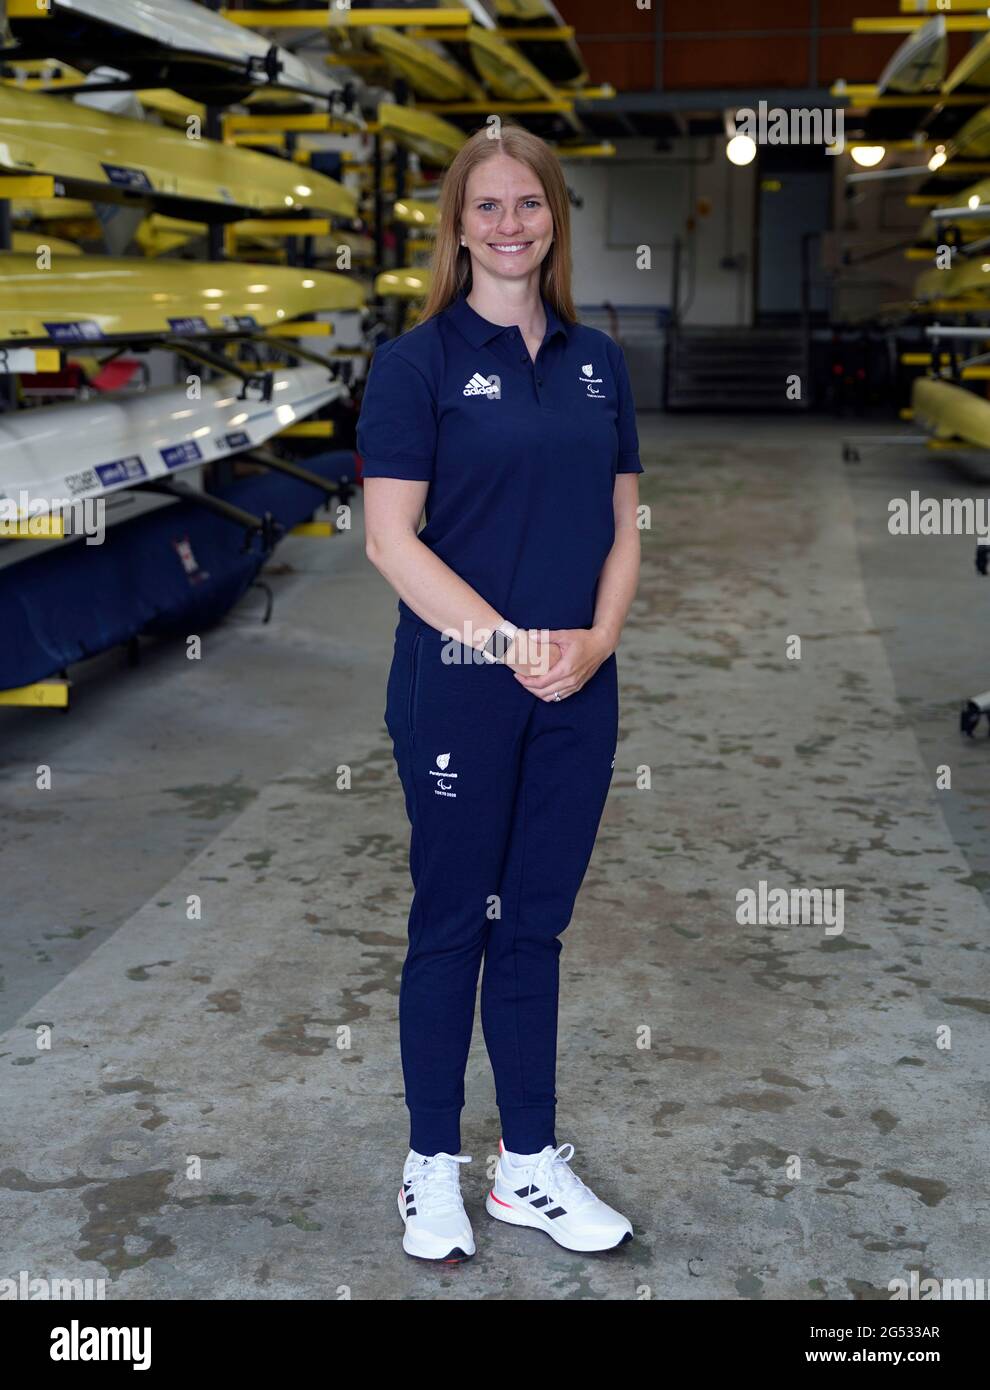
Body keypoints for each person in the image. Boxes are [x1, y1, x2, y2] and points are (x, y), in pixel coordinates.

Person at [358, 123, 642, 1262]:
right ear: (458, 224)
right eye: (489, 206)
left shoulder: (597, 358)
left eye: (531, 205)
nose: (512, 224)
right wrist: (514, 643)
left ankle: (528, 1166)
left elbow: (624, 528)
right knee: (450, 922)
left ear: (555, 219)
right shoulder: (415, 363)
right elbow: (390, 541)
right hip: (461, 687)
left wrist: (595, 640)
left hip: (580, 683)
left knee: (535, 925)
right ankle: (433, 1162)